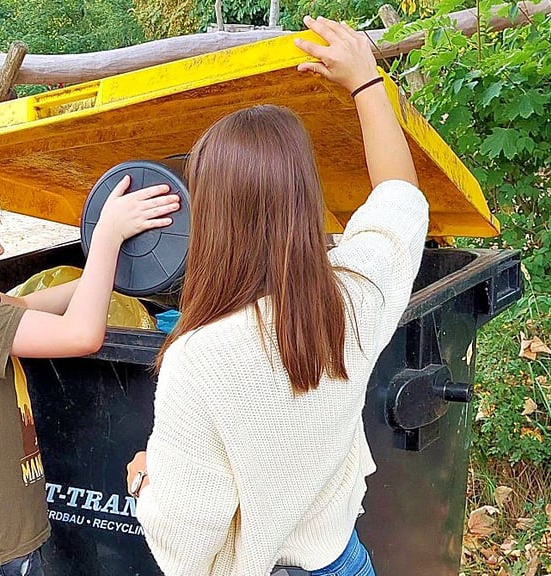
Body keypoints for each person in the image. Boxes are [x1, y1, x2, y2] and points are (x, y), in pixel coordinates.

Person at [124, 16, 429, 576]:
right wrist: (365, 82)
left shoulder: (198, 360)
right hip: (345, 563)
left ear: (209, 217)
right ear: (306, 199)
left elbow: (185, 549)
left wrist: (145, 480)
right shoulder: (353, 298)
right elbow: (401, 200)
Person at [0, 160, 180, 575]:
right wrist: (106, 237)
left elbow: (29, 304)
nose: (0, 247)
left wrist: (113, 267)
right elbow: (81, 335)